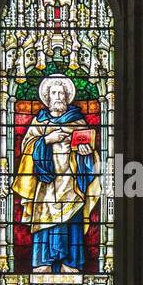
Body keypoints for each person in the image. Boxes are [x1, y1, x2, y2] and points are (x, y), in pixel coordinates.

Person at [12, 76, 100, 274]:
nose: (58, 96)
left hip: (71, 182)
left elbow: (89, 154)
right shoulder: (39, 122)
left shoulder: (77, 121)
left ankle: (70, 263)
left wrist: (85, 154)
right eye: (54, 93)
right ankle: (43, 261)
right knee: (44, 221)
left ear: (68, 96)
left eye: (62, 93)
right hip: (46, 183)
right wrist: (46, 140)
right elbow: (27, 148)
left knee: (71, 222)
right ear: (47, 97)